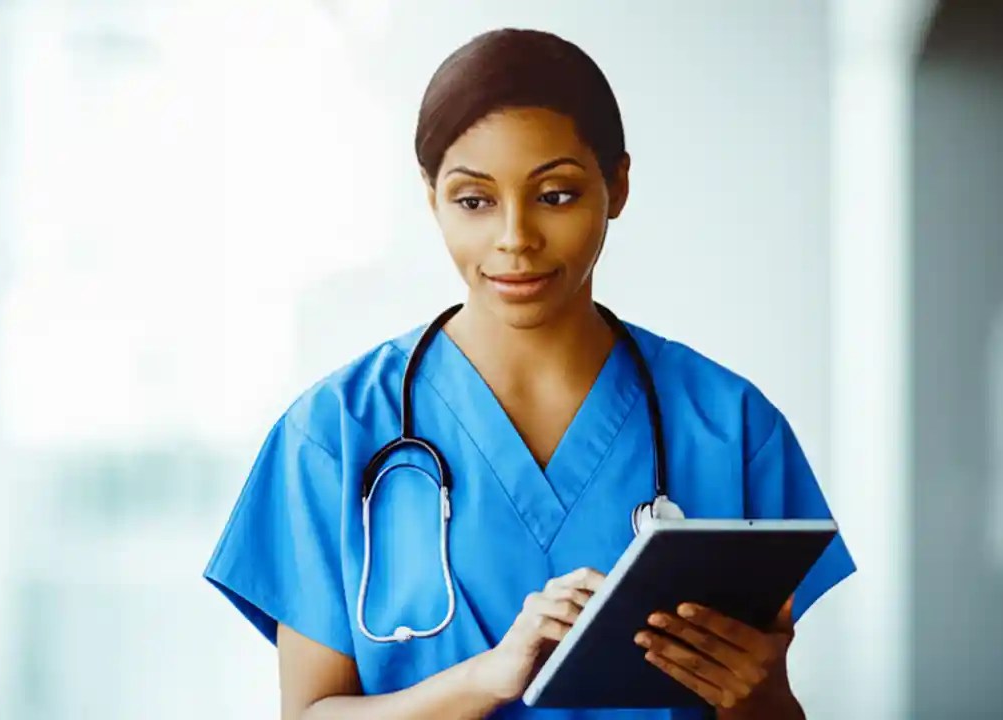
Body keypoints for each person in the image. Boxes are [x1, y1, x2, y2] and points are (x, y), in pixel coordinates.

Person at [203, 27, 855, 719]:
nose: (515, 237)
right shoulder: (334, 434)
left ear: (617, 186)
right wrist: (487, 678)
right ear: (432, 200)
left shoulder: (730, 428)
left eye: (556, 195)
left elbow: (772, 710)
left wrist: (760, 698)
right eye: (474, 201)